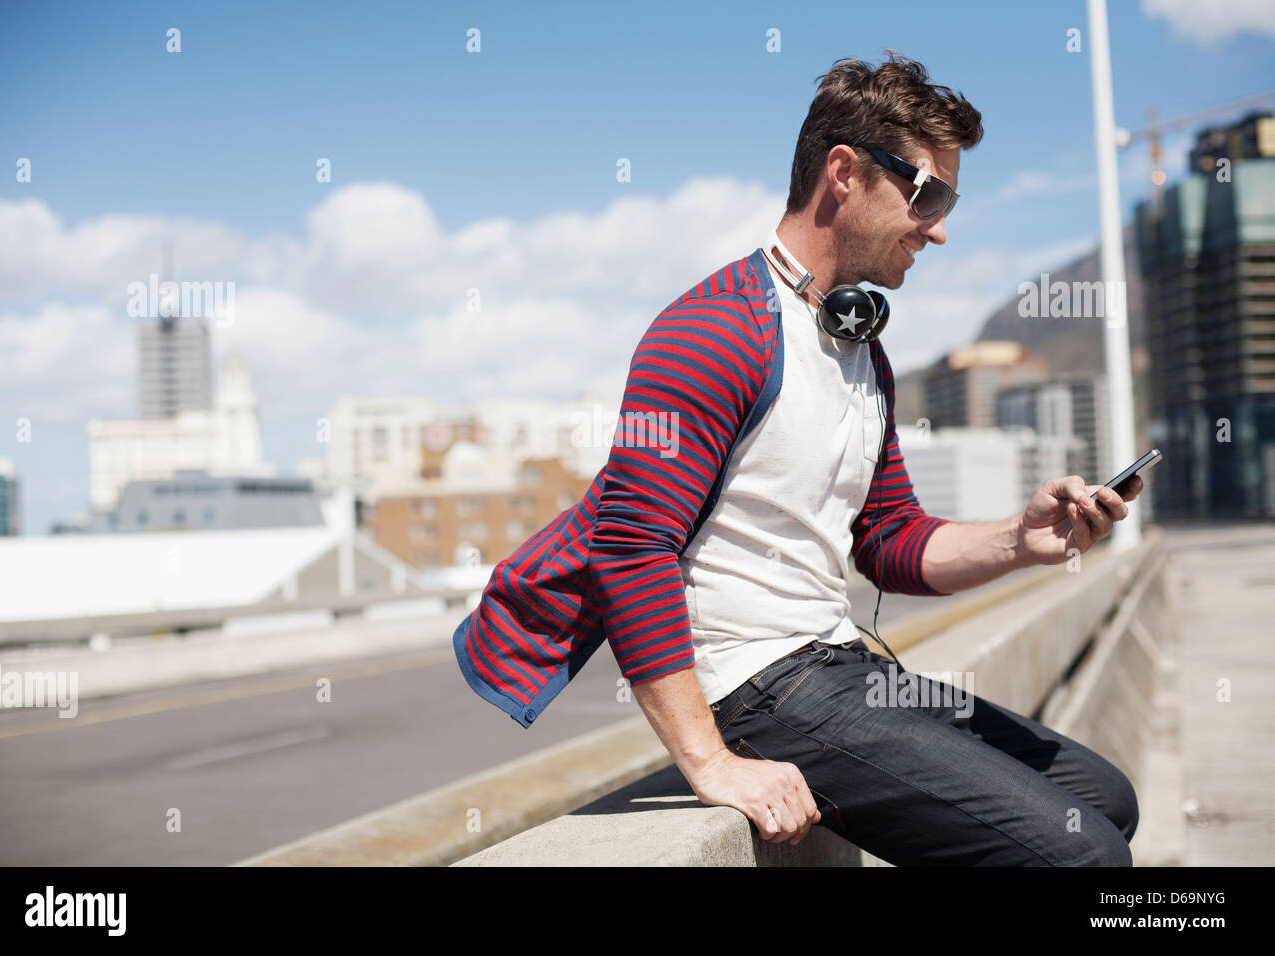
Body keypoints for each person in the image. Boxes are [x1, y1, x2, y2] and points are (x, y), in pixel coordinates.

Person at [452, 50, 1143, 866]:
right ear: (843, 172)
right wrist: (710, 762)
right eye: (929, 194)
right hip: (757, 690)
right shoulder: (709, 334)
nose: (942, 226)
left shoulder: (857, 347)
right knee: (1084, 858)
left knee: (1107, 800)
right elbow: (630, 548)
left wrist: (1018, 541)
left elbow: (888, 539)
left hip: (840, 665)